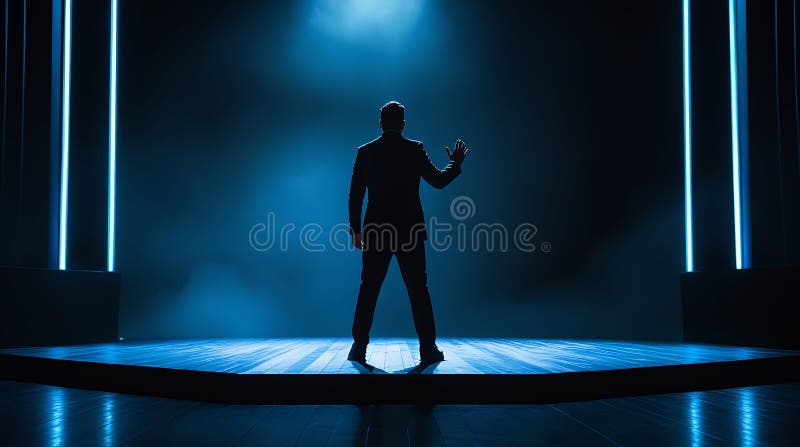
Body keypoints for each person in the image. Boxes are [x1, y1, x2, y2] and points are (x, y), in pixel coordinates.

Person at [347, 100, 469, 366]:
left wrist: (356, 230)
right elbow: (438, 181)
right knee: (418, 290)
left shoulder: (365, 152)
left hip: (376, 231)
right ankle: (428, 349)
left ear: (380, 123)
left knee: (369, 289)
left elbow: (356, 195)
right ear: (403, 124)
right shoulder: (414, 150)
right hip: (409, 231)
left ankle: (358, 348)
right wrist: (455, 164)